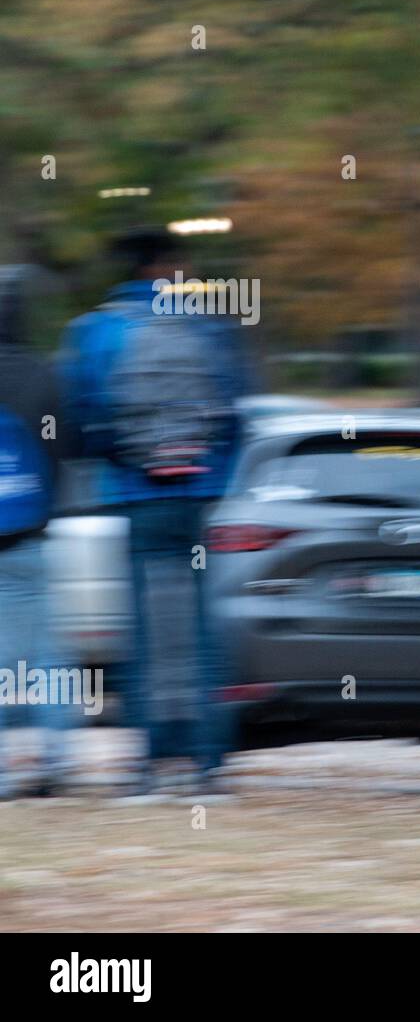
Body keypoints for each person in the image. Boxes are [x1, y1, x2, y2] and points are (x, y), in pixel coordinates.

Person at [60, 228, 251, 796]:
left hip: (134, 493)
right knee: (199, 628)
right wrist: (214, 473)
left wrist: (121, 462)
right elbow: (239, 412)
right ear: (172, 265)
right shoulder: (209, 327)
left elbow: (82, 416)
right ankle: (208, 761)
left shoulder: (97, 329)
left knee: (144, 630)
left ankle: (148, 764)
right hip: (198, 496)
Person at [0, 282, 77, 798]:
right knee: (49, 651)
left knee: (5, 658)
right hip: (35, 532)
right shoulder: (44, 373)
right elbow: (61, 445)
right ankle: (55, 755)